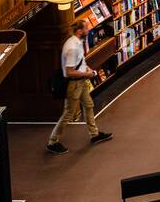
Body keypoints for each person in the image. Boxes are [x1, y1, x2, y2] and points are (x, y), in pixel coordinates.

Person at [46, 19, 112, 154]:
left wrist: (87, 69)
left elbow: (79, 62)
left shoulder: (77, 43)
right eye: (86, 28)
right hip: (74, 84)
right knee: (69, 113)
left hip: (81, 82)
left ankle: (94, 134)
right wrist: (87, 75)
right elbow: (70, 71)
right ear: (79, 31)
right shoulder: (72, 47)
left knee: (88, 105)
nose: (88, 30)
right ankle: (53, 141)